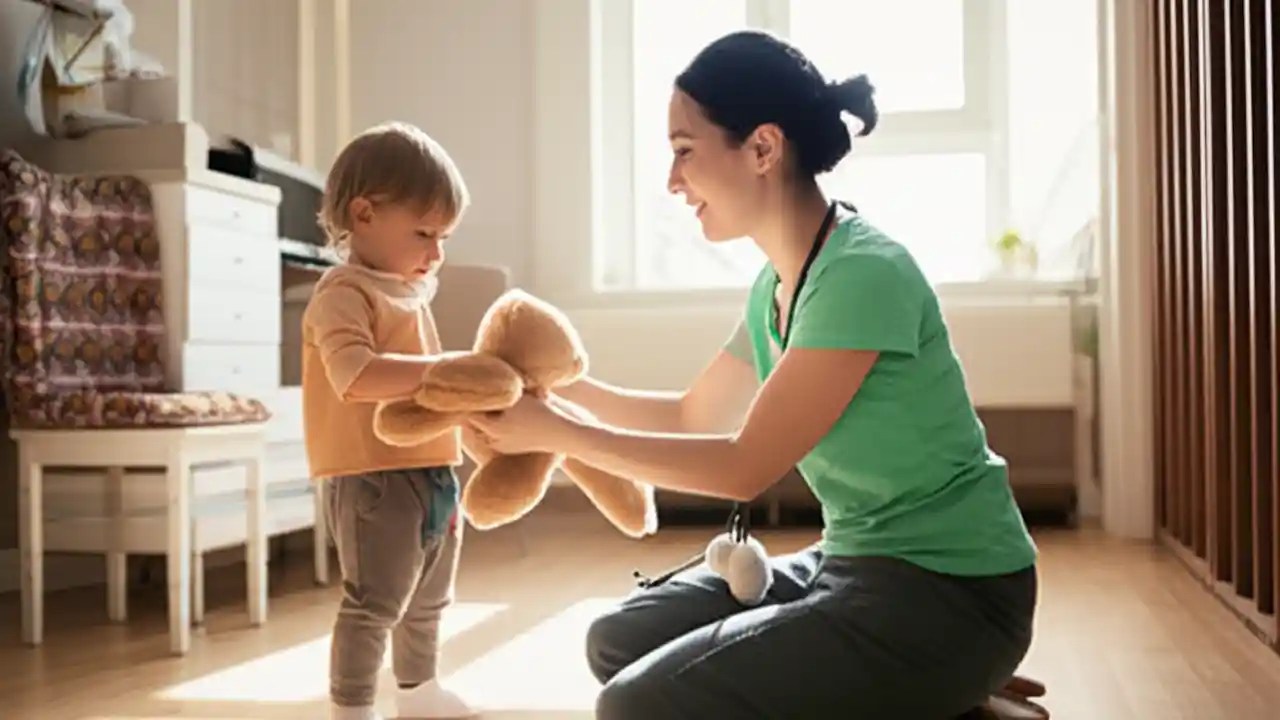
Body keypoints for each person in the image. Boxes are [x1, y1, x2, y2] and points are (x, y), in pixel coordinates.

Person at [468, 30, 1040, 719]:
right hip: (850, 563)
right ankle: (921, 690)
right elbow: (690, 416)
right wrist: (555, 392)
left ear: (763, 148)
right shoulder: (776, 285)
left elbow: (742, 467)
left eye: (684, 152)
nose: (673, 182)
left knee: (633, 707)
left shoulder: (862, 274)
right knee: (615, 641)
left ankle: (946, 679)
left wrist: (555, 434)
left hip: (951, 593)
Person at [302, 122, 487, 720]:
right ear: (363, 214)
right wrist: (445, 371)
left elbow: (425, 388)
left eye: (445, 237)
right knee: (374, 601)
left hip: (431, 469)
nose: (436, 253)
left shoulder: (408, 289)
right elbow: (355, 376)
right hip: (373, 476)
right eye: (425, 233)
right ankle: (351, 707)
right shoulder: (343, 293)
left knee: (429, 598)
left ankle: (418, 693)